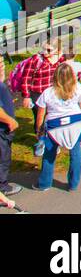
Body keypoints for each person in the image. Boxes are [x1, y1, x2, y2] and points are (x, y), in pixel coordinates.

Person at [0, 58, 20, 198]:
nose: (2, 66)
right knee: (3, 158)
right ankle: (3, 187)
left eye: (2, 63)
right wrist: (10, 121)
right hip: (2, 130)